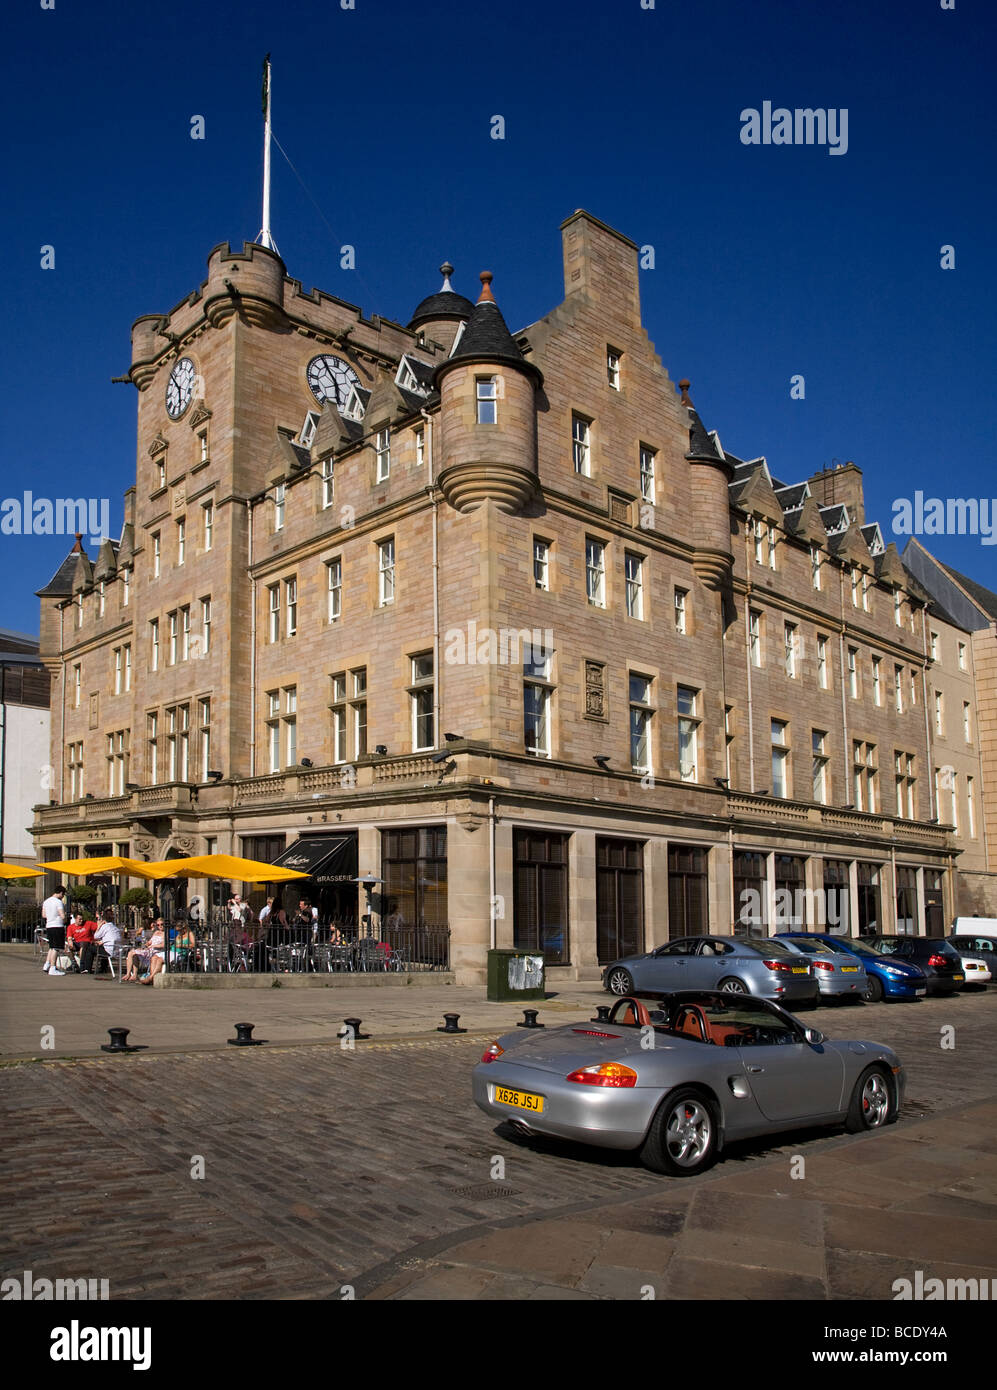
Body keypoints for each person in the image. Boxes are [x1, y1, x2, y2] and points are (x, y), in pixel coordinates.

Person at [41, 887, 68, 977]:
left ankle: (47, 964)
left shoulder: (46, 901)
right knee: (56, 947)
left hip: (49, 925)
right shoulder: (58, 902)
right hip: (57, 925)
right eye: (63, 894)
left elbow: (44, 915)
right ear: (60, 893)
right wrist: (65, 920)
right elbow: (62, 915)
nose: (63, 896)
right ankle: (53, 967)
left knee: (52, 947)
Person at [92, 909, 122, 977]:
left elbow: (96, 936)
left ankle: (86, 968)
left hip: (109, 951)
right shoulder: (115, 928)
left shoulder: (105, 926)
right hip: (117, 951)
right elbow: (111, 938)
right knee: (101, 948)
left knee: (90, 948)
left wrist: (99, 926)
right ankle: (103, 968)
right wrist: (103, 941)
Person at [138, 922, 167, 986]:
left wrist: (153, 946)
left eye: (162, 924)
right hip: (150, 949)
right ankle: (132, 974)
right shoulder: (156, 932)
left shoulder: (166, 933)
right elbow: (150, 941)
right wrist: (147, 944)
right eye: (158, 925)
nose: (160, 926)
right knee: (132, 953)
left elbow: (164, 945)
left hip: (157, 950)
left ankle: (150, 978)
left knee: (155, 958)